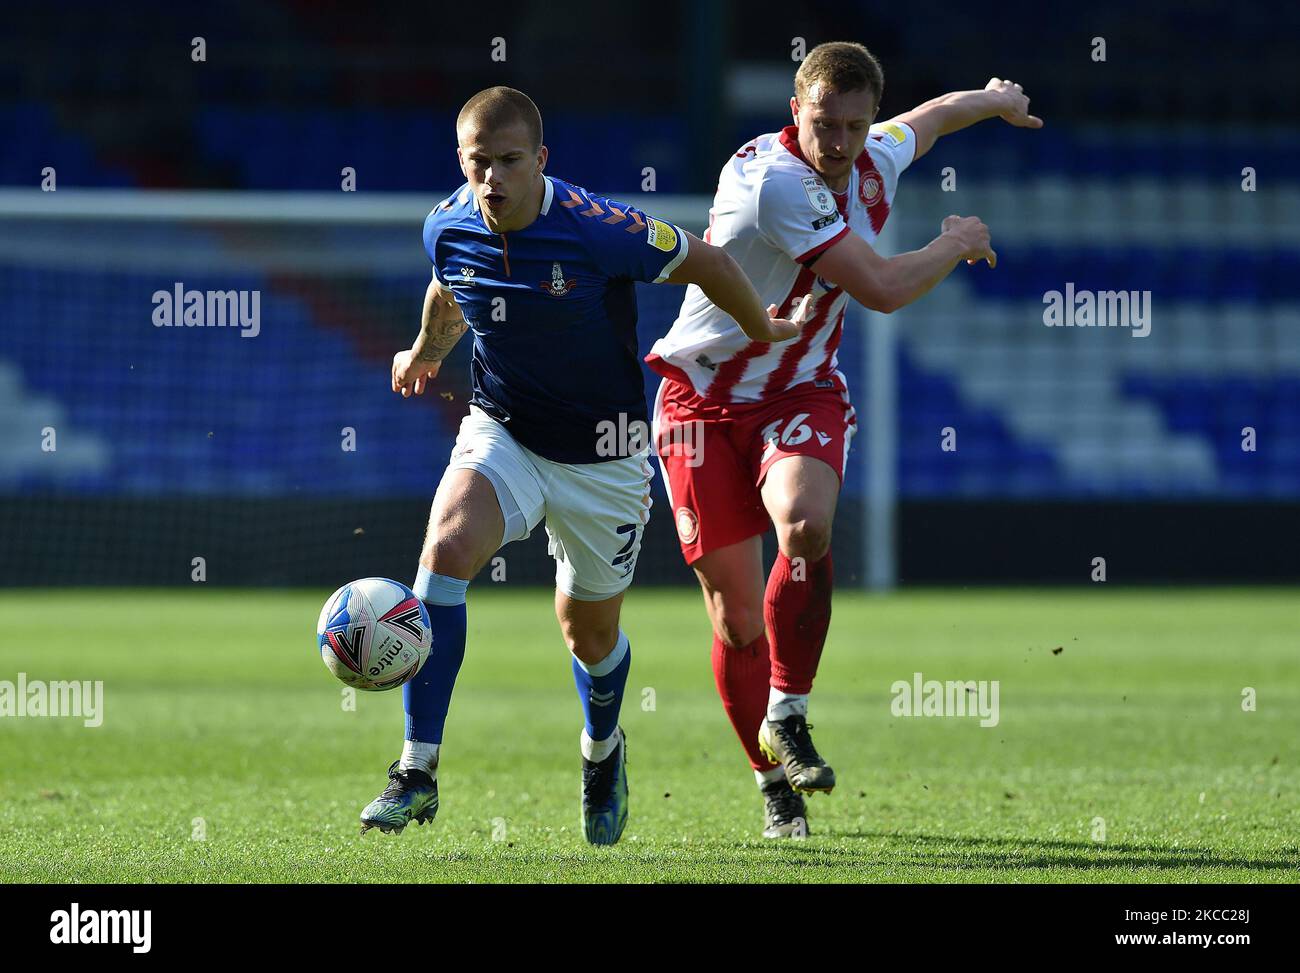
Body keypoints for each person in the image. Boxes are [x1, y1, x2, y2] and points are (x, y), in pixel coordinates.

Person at [362, 86, 810, 846]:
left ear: (541, 160)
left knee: (589, 634)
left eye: (509, 162)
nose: (493, 179)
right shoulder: (447, 226)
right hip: (503, 431)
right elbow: (449, 291)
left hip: (605, 454)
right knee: (444, 550)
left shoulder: (600, 228)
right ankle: (416, 769)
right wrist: (424, 352)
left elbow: (702, 258)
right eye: (479, 164)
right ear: (462, 162)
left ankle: (602, 750)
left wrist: (759, 325)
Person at [646, 42, 1042, 836]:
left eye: (855, 126)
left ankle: (787, 710)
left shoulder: (870, 152)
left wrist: (992, 99)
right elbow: (886, 289)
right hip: (699, 402)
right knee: (733, 619)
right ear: (796, 111)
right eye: (824, 123)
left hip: (798, 390)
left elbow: (925, 123)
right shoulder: (777, 182)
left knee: (805, 523)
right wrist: (956, 241)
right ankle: (770, 778)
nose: (839, 142)